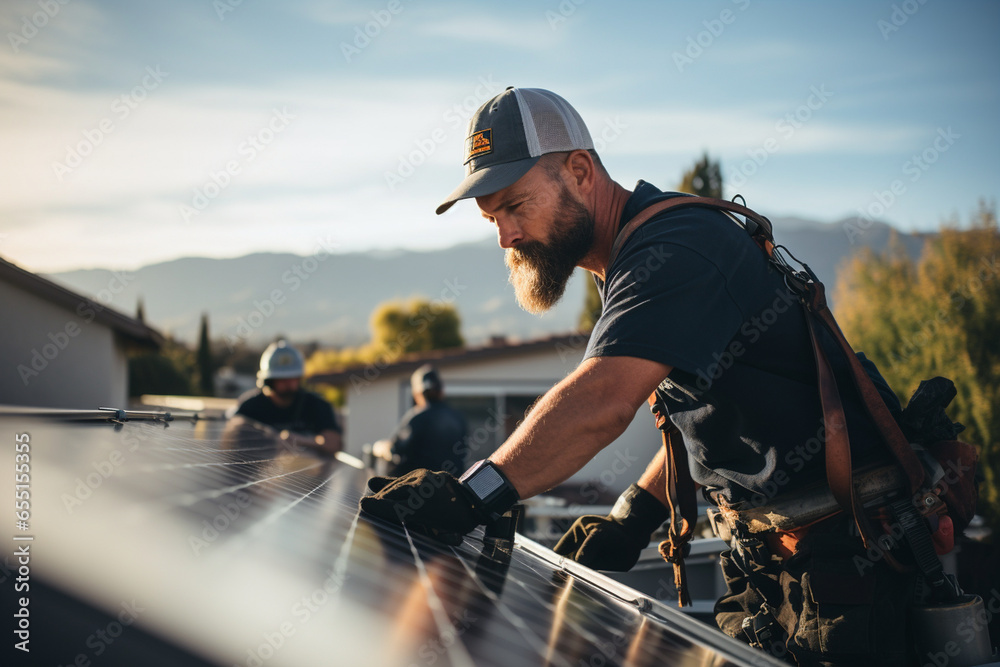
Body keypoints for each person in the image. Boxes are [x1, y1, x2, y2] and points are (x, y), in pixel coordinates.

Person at [359, 88, 925, 665]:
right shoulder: (631, 257)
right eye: (492, 219)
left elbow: (603, 399)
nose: (506, 236)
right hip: (770, 555)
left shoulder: (677, 246)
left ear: (579, 171)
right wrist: (633, 517)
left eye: (515, 206)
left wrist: (475, 494)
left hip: (849, 553)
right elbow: (694, 417)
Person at [231, 340, 342, 456]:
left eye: (292, 378)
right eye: (281, 379)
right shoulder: (250, 407)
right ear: (268, 381)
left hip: (311, 471)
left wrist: (300, 440)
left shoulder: (316, 405)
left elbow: (334, 444)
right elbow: (232, 443)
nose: (288, 383)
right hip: (262, 471)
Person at [372, 365, 468, 476]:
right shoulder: (458, 418)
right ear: (441, 390)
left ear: (417, 393)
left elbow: (395, 451)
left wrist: (379, 447)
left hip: (417, 488)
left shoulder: (417, 417)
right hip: (449, 488)